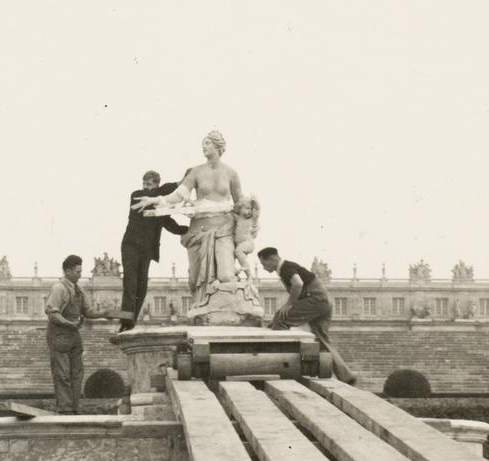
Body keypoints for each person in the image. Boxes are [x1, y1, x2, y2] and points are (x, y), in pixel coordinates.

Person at [132, 130, 242, 305]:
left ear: (218, 146)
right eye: (203, 143)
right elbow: (177, 196)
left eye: (207, 143)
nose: (203, 146)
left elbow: (240, 204)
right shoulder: (196, 172)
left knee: (226, 275)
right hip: (199, 230)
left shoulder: (231, 173)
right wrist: (154, 199)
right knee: (195, 281)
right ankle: (201, 310)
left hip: (224, 230)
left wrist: (246, 231)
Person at [257, 246, 357, 384]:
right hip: (323, 302)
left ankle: (283, 365)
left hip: (315, 300)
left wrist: (289, 304)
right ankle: (346, 376)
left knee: (281, 318)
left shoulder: (286, 267)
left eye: (264, 263)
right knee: (322, 340)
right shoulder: (287, 267)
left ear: (273, 258)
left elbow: (298, 283)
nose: (264, 267)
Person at [119, 170, 188, 332]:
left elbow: (172, 226)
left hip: (146, 250)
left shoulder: (158, 205)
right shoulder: (137, 196)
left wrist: (190, 229)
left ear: (156, 183)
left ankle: (131, 322)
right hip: (131, 245)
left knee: (141, 287)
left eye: (149, 184)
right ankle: (125, 320)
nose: (146, 188)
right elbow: (159, 193)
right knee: (130, 283)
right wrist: (179, 184)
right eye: (144, 184)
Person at [44, 254, 106, 413]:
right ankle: (65, 409)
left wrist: (106, 313)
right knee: (62, 373)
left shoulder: (79, 290)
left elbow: (89, 312)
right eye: (77, 272)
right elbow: (52, 313)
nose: (80, 274)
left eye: (80, 271)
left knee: (77, 373)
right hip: (60, 334)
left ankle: (75, 408)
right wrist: (69, 323)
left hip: (73, 335)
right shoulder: (59, 288)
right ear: (68, 271)